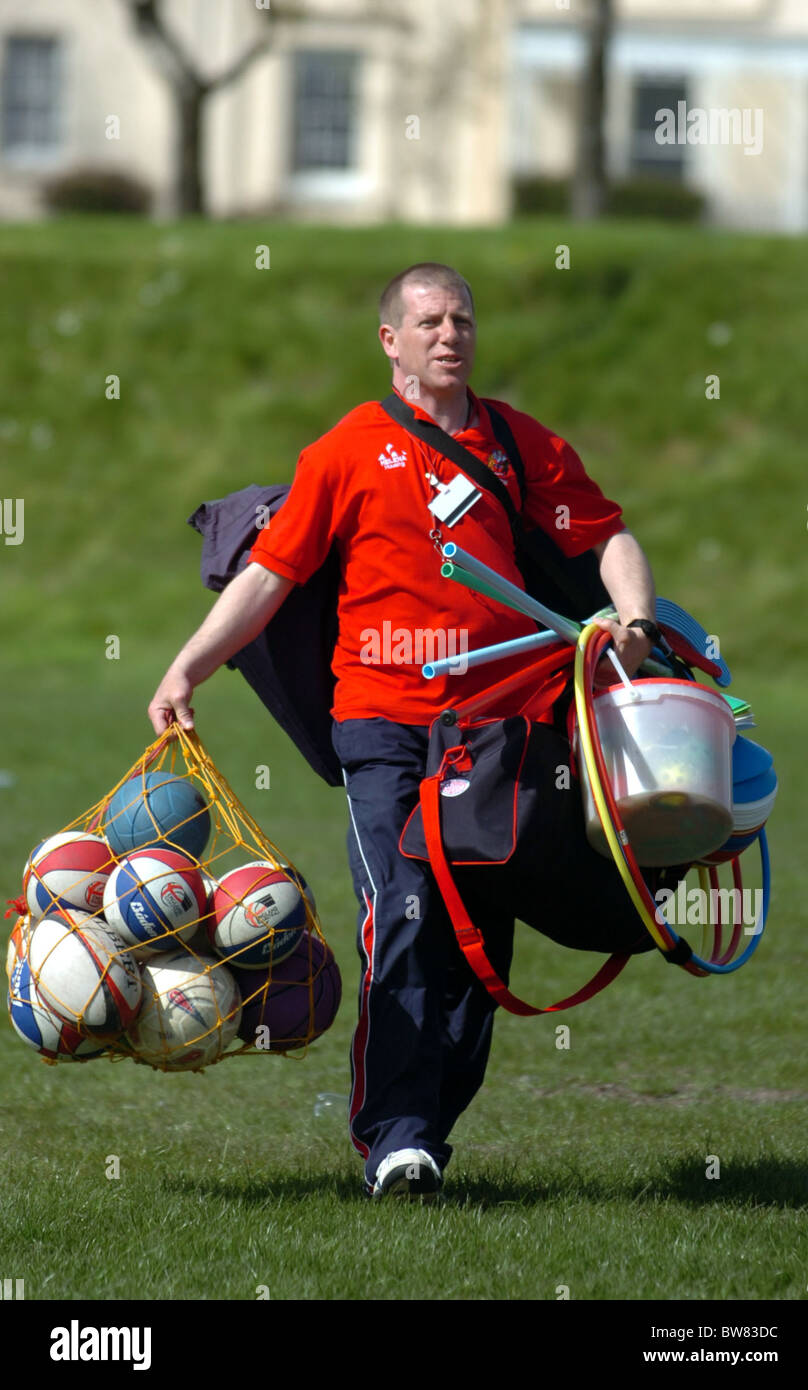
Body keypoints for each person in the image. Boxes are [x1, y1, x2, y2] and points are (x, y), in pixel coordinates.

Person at [149, 262, 660, 1200]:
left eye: (461, 319)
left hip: (504, 729)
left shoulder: (517, 441)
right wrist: (189, 667)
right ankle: (394, 1137)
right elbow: (270, 574)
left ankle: (427, 1130)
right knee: (405, 912)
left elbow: (604, 536)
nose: (448, 334)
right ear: (391, 341)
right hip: (381, 720)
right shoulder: (347, 448)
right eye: (427, 321)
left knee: (480, 933)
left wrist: (632, 618)